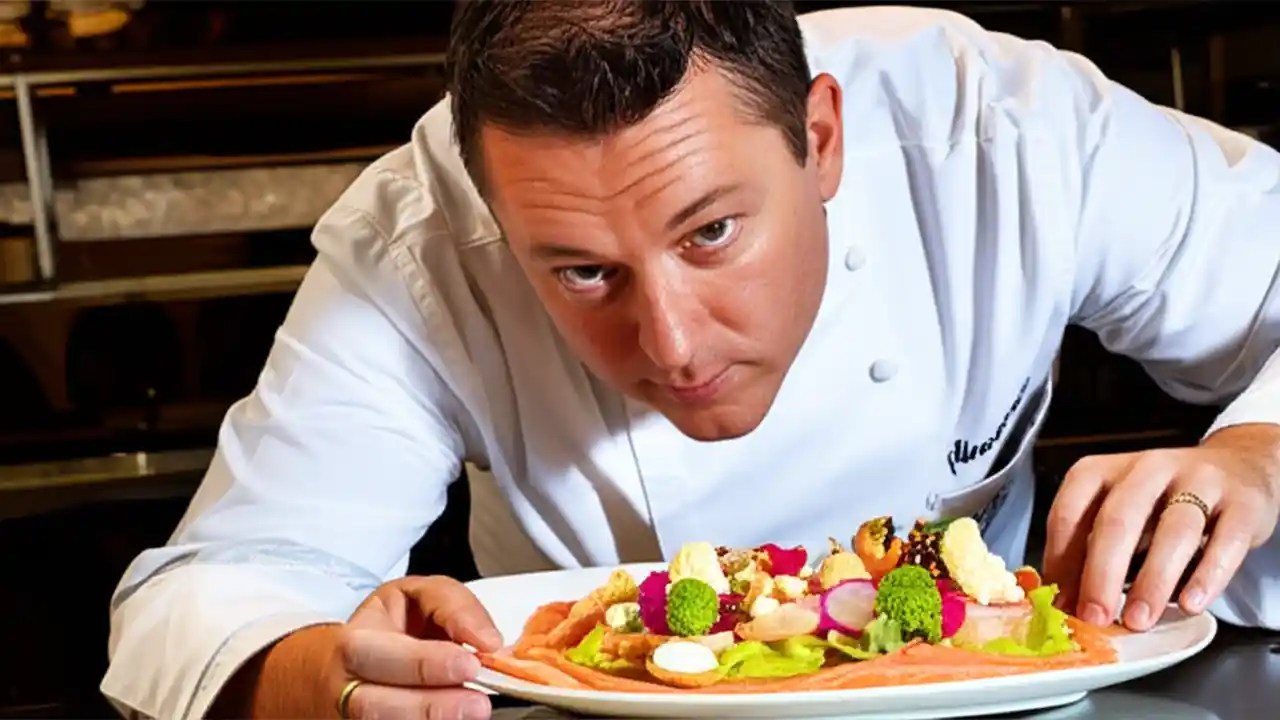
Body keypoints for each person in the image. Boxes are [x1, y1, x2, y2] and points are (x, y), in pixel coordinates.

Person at [102, 2, 1280, 719]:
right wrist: (329, 678)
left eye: (710, 232)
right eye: (578, 272)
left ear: (818, 141)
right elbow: (212, 591)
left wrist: (1257, 446)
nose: (667, 345)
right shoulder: (415, 244)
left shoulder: (998, 131)